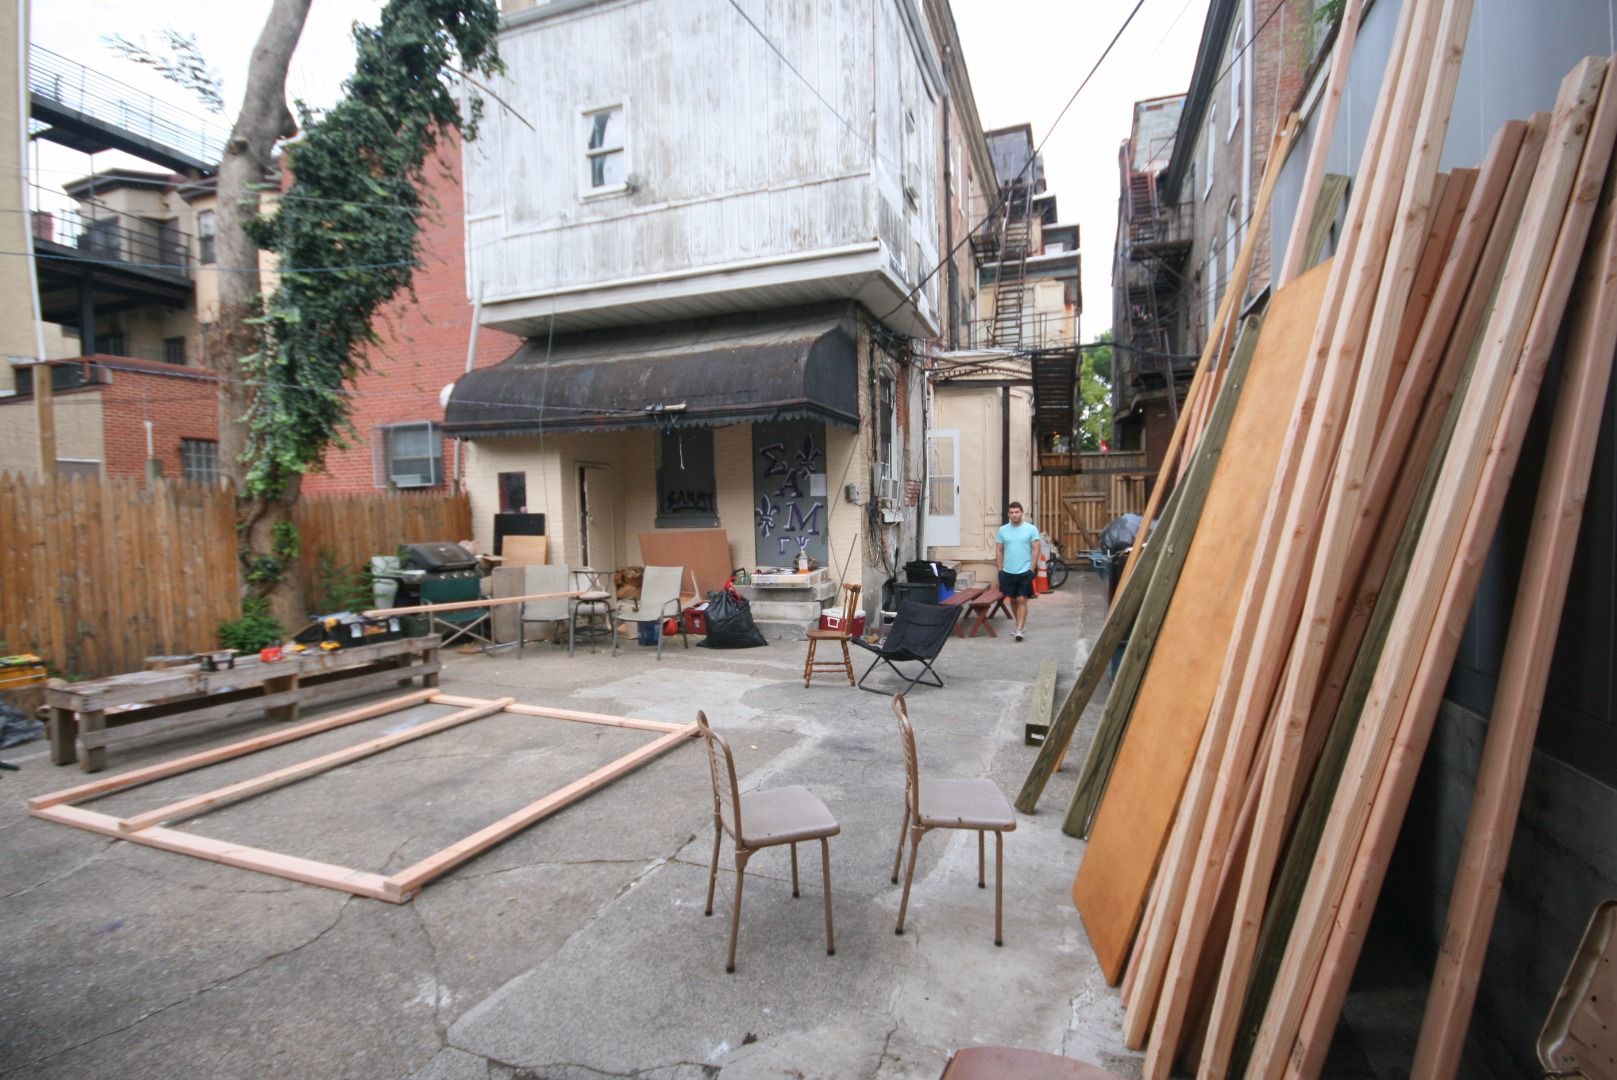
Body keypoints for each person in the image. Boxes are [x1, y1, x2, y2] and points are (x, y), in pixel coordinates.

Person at [995, 501, 1042, 642]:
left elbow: (1036, 549)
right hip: (1008, 570)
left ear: (1022, 513)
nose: (1014, 515)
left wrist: (1032, 569)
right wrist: (1000, 569)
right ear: (1008, 514)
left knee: (1022, 599)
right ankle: (1018, 625)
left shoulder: (1031, 529)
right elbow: (998, 550)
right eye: (1012, 512)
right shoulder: (1002, 530)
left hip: (1025, 570)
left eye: (1017, 512)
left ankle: (1020, 629)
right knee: (1013, 600)